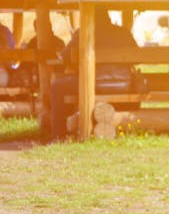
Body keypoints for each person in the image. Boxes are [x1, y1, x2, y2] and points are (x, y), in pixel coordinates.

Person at [49, 7, 138, 141]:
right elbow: (137, 57)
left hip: (93, 85)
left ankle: (59, 134)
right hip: (124, 84)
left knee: (57, 87)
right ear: (107, 16)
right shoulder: (123, 32)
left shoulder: (83, 33)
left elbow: (66, 57)